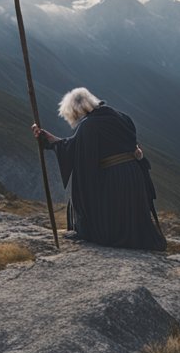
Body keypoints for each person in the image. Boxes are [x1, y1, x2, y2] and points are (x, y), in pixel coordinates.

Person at [32, 87, 166, 251]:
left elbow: (75, 149)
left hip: (114, 178)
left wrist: (50, 142)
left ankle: (106, 233)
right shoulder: (123, 117)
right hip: (133, 174)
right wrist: (53, 140)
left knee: (84, 201)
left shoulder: (89, 125)